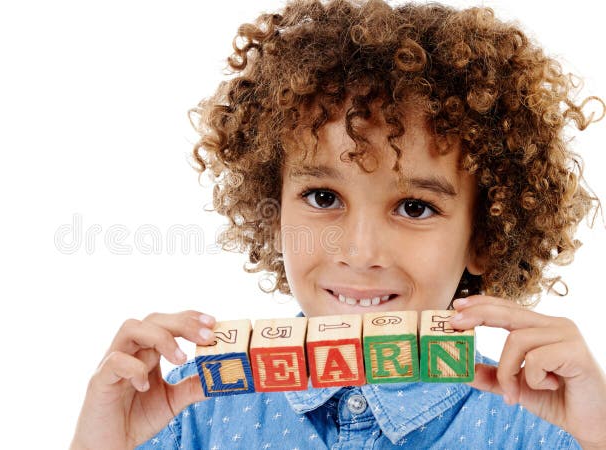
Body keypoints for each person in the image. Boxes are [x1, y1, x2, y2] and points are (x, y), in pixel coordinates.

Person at [70, 0, 606, 448]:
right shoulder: (189, 408)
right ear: (272, 207)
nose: (358, 250)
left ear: (483, 237)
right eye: (323, 196)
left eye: (415, 207)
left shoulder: (541, 424)